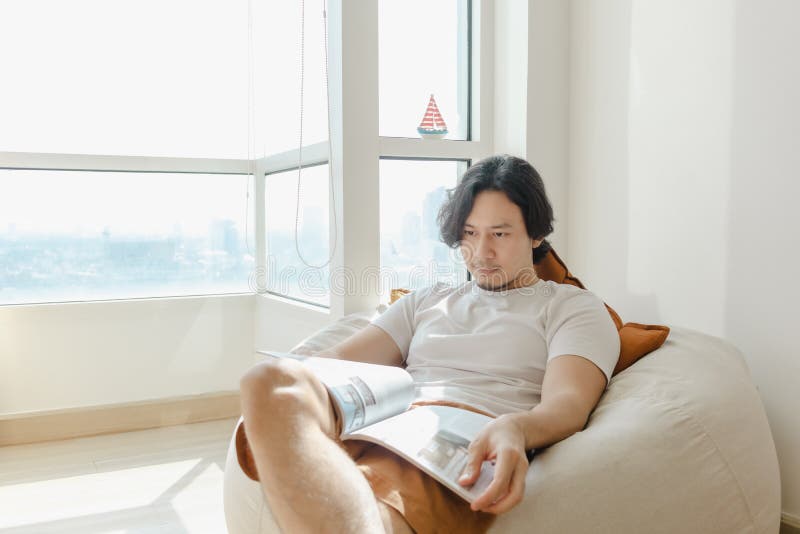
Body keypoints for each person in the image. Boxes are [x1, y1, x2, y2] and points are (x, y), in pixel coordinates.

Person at [238, 155, 620, 534]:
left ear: (536, 234)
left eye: (499, 234)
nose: (481, 252)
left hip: (459, 439)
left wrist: (516, 429)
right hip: (386, 419)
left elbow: (567, 402)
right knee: (269, 381)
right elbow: (338, 359)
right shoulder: (428, 299)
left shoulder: (570, 306)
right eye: (470, 233)